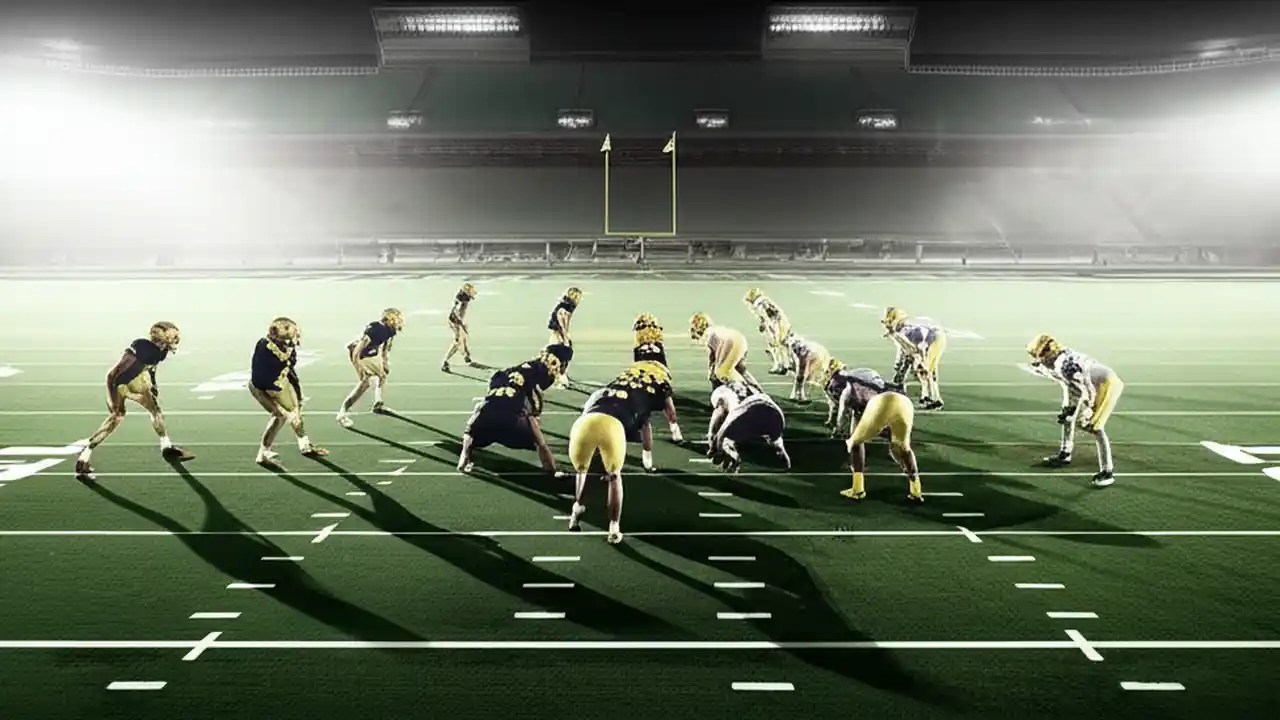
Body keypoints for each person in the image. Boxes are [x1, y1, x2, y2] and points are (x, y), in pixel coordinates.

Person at [567, 351, 682, 545]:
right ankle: (614, 528)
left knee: (583, 471)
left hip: (584, 423)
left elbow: (588, 408)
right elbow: (656, 421)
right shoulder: (653, 389)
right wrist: (647, 458)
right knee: (614, 477)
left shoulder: (610, 386)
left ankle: (576, 510)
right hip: (612, 426)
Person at [74, 322, 194, 483]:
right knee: (117, 417)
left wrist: (153, 383)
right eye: (171, 336)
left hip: (134, 379)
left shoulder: (161, 351)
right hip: (117, 382)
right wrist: (121, 393)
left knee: (155, 409)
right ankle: (84, 457)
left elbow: (152, 367)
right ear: (160, 336)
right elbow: (120, 372)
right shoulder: (142, 346)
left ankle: (166, 446)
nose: (174, 339)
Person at [457, 344, 573, 475]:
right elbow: (534, 397)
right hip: (509, 422)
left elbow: (498, 376)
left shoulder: (524, 368)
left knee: (478, 416)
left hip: (484, 417)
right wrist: (534, 413)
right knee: (538, 439)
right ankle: (552, 470)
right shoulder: (544, 374)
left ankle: (465, 456)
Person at [1026, 333, 1124, 487]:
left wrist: (1087, 409)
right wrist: (1068, 410)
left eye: (1039, 356)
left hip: (1106, 384)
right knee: (1068, 418)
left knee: (1094, 426)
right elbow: (1066, 383)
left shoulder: (1064, 366)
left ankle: (1107, 471)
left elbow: (1083, 390)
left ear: (1048, 354)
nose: (1037, 360)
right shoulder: (1059, 358)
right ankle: (1065, 453)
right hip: (1087, 382)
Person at [835, 365, 924, 504]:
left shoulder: (848, 389)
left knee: (854, 443)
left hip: (882, 403)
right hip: (903, 402)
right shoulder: (869, 376)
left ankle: (857, 489)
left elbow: (842, 418)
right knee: (901, 447)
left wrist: (839, 429)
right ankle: (916, 490)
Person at [249, 317, 327, 468]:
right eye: (291, 330)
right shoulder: (264, 345)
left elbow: (289, 368)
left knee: (294, 412)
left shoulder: (286, 347)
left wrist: (296, 392)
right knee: (282, 416)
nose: (296, 333)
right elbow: (261, 377)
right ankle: (264, 453)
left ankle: (303, 445)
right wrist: (276, 404)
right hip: (264, 386)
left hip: (279, 382)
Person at [337, 308, 404, 427]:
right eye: (397, 317)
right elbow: (357, 351)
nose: (400, 320)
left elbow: (385, 348)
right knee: (364, 384)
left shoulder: (391, 330)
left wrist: (385, 362)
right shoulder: (375, 329)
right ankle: (342, 413)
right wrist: (360, 370)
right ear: (390, 318)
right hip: (359, 353)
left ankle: (378, 403)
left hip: (371, 352)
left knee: (382, 375)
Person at [705, 380, 790, 473]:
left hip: (745, 412)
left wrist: (714, 445)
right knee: (776, 439)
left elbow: (719, 414)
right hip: (772, 409)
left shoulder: (720, 393)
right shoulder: (745, 385)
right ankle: (781, 451)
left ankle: (732, 455)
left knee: (724, 440)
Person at [882, 307, 947, 410]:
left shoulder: (905, 333)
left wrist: (920, 362)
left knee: (925, 369)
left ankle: (933, 397)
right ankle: (928, 396)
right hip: (932, 337)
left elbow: (911, 349)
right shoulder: (907, 330)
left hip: (933, 338)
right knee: (925, 369)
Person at [689, 312, 762, 391]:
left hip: (730, 341)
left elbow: (712, 358)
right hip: (739, 339)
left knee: (721, 372)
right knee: (738, 368)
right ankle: (756, 390)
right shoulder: (716, 329)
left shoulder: (707, 335)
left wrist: (711, 375)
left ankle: (743, 391)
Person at [743, 288, 792, 374]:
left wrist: (771, 329)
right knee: (781, 345)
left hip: (776, 324)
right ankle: (786, 364)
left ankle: (779, 364)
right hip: (780, 322)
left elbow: (769, 317)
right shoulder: (765, 301)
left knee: (775, 345)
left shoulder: (760, 305)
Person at [547, 287, 582, 388]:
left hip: (556, 333)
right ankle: (559, 378)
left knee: (559, 355)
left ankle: (560, 376)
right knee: (562, 355)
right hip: (557, 334)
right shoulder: (566, 308)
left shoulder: (567, 305)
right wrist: (566, 337)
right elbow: (563, 324)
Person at [442, 283, 478, 373]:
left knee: (464, 337)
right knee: (457, 342)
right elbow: (457, 312)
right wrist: (461, 324)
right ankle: (445, 362)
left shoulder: (463, 297)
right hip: (455, 322)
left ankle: (466, 355)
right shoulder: (463, 300)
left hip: (457, 321)